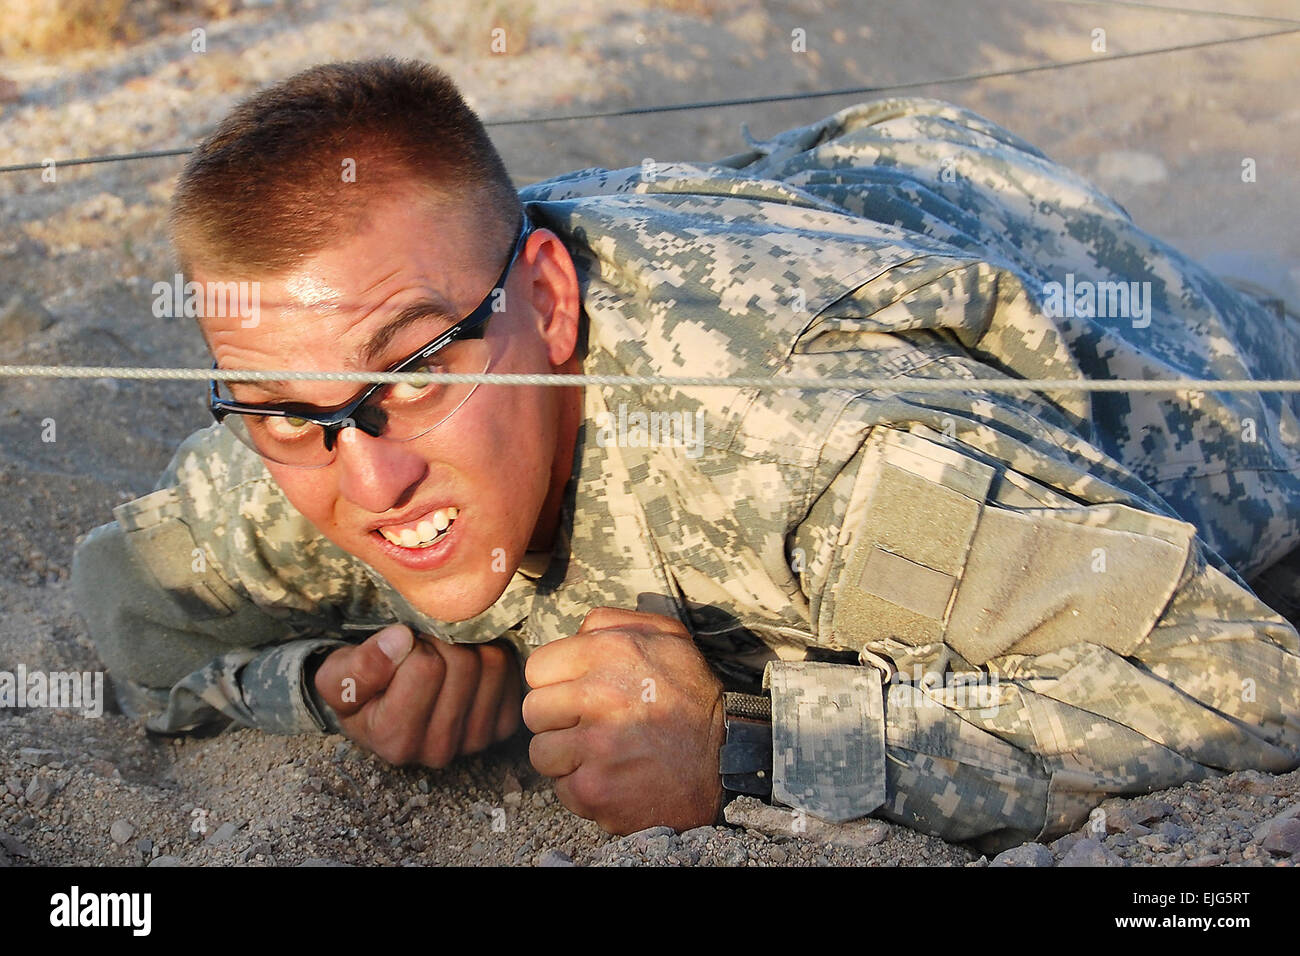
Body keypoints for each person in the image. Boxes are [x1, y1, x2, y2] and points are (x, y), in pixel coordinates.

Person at [71, 58, 1300, 854]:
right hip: (799, 192)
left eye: (419, 370)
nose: (371, 480)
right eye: (290, 413)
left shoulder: (818, 457)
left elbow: (1247, 675)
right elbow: (129, 609)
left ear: (546, 302)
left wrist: (747, 745)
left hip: (1101, 308)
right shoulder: (308, 418)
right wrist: (335, 680)